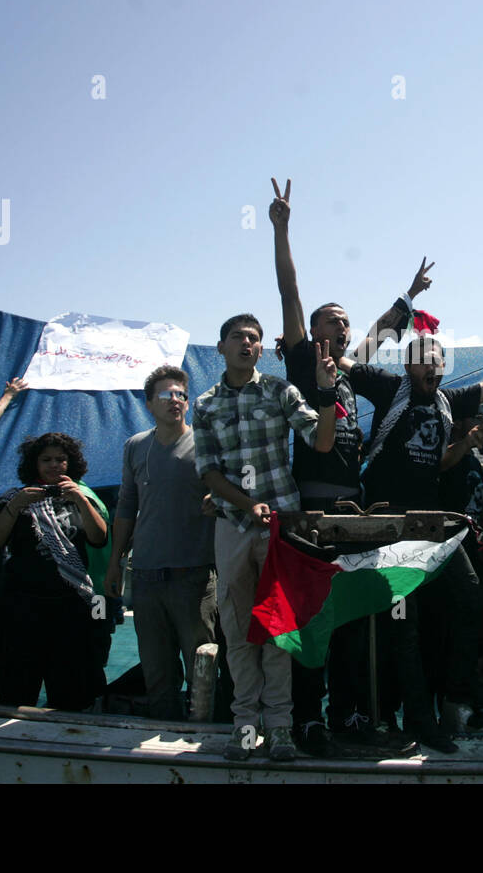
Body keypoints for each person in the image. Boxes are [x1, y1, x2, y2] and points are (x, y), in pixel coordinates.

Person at [268, 176, 435, 754]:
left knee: (348, 616)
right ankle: (307, 719)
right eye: (331, 320)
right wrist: (281, 227)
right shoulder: (300, 359)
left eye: (345, 321)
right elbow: (289, 289)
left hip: (351, 508)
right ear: (313, 330)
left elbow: (380, 334)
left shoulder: (346, 371)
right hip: (310, 507)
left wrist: (409, 296)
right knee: (311, 616)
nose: (341, 327)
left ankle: (350, 715)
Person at [343, 301, 483, 745]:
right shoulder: (390, 389)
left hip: (430, 523)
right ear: (408, 363)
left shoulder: (448, 400)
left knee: (469, 599)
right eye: (425, 360)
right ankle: (419, 722)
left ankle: (453, 697)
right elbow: (352, 360)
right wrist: (400, 305)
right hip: (390, 522)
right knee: (403, 626)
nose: (434, 368)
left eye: (439, 361)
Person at [193, 314, 338, 762]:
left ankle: (279, 729)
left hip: (279, 529)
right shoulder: (205, 404)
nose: (246, 343)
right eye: (237, 336)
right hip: (233, 527)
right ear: (221, 347)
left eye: (254, 339)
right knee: (237, 631)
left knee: (278, 630)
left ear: (260, 350)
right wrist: (243, 502)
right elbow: (209, 471)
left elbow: (323, 442)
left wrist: (328, 393)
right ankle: (243, 726)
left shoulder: (280, 391)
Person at [106, 365, 218, 722]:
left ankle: (204, 741)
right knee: (158, 673)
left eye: (181, 394)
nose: (176, 401)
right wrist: (115, 562)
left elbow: (233, 494)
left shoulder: (207, 443)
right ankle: (160, 741)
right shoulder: (135, 446)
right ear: (149, 404)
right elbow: (126, 505)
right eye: (167, 395)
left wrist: (218, 498)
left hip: (195, 578)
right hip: (145, 578)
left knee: (203, 666)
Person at [0, 433, 108, 712]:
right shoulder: (15, 498)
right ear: (34, 464)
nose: (54, 465)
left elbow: (99, 538)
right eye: (47, 460)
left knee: (70, 690)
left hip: (70, 606)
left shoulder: (81, 497)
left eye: (61, 459)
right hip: (23, 606)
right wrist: (16, 507)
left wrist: (81, 500)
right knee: (18, 689)